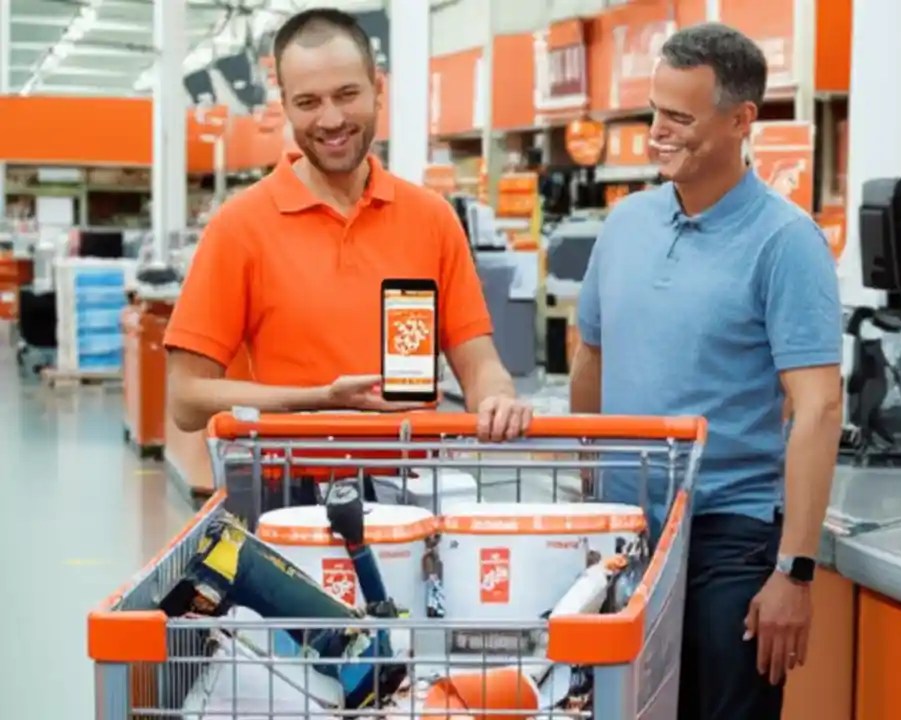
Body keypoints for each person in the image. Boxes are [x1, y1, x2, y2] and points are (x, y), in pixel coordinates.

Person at [570, 22, 844, 720]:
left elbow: (817, 408)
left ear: (741, 119)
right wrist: (585, 493)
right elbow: (591, 354)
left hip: (728, 533)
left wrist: (794, 572)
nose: (657, 132)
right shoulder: (625, 225)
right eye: (654, 112)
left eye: (680, 118)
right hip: (625, 532)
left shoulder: (786, 242)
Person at [165, 9, 530, 447]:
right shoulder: (239, 226)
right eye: (309, 102)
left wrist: (498, 397)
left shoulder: (431, 218)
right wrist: (317, 400)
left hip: (410, 491)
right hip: (287, 495)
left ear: (378, 90)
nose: (332, 119)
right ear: (286, 106)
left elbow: (478, 361)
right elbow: (185, 398)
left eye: (346, 94)